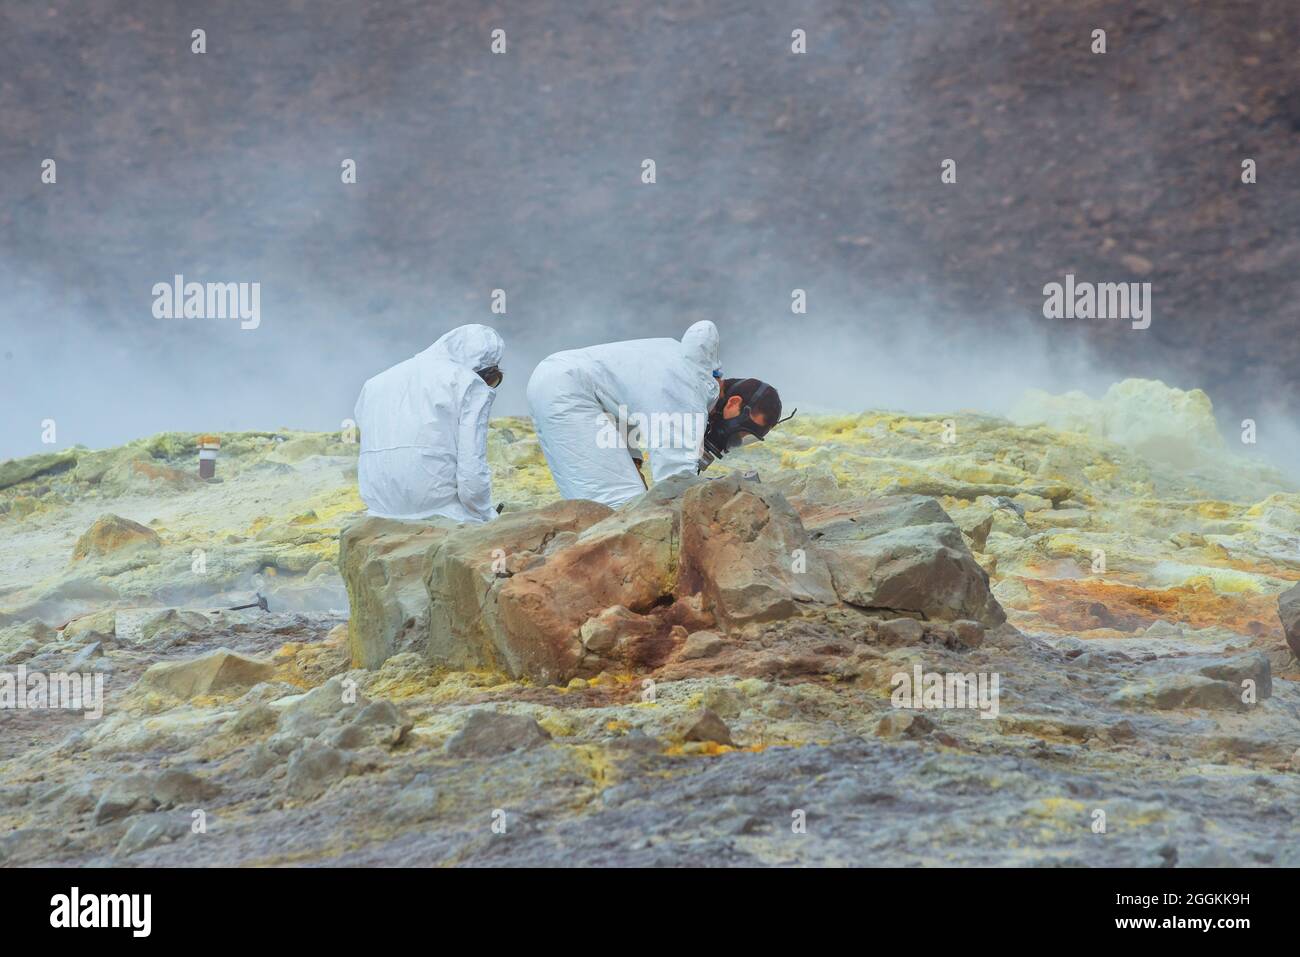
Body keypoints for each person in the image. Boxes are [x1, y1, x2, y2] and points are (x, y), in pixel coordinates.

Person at [526, 320, 783, 506]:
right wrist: (729, 492)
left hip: (567, 383)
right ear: (733, 403)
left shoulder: (692, 375)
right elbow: (675, 481)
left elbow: (627, 398)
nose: (735, 441)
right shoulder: (688, 390)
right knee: (615, 508)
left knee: (617, 503)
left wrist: (633, 461)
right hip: (567, 390)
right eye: (742, 434)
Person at [353, 324, 504, 523]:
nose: (489, 384)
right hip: (440, 510)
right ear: (481, 367)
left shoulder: (374, 383)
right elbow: (472, 468)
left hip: (379, 509)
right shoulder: (467, 381)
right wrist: (486, 516)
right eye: (492, 377)